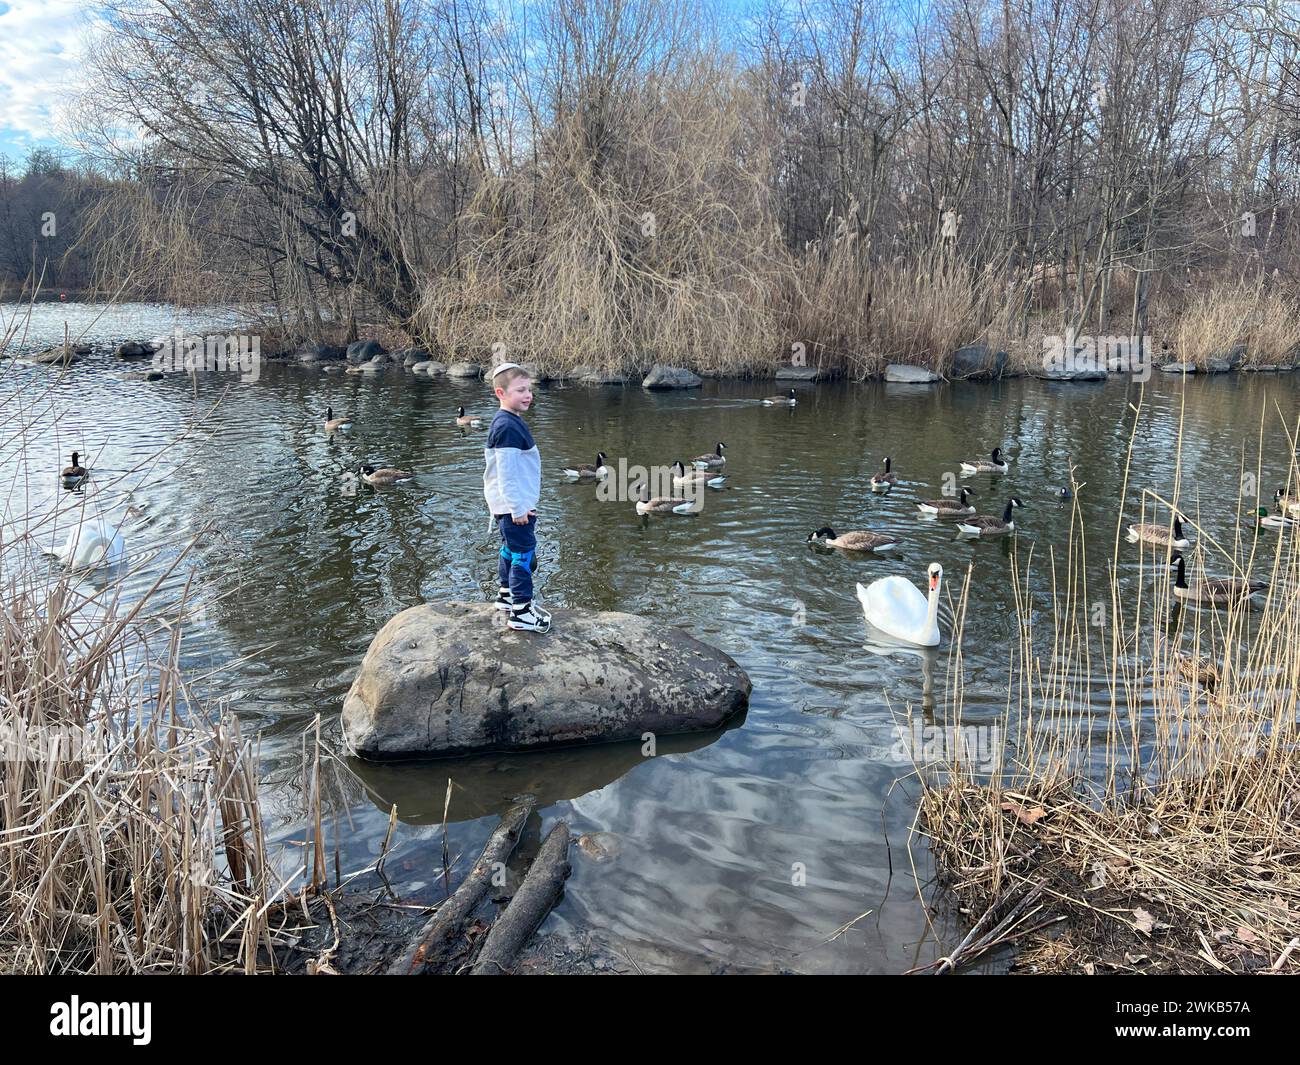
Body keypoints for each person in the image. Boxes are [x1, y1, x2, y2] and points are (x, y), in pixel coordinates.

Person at [483, 362, 551, 632]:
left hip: (510, 504)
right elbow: (507, 474)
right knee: (523, 554)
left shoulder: (509, 421)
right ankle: (522, 611)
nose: (528, 395)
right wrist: (518, 509)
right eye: (520, 390)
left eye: (529, 389)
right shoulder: (508, 427)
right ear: (501, 393)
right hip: (514, 506)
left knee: (510, 549)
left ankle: (506, 595)